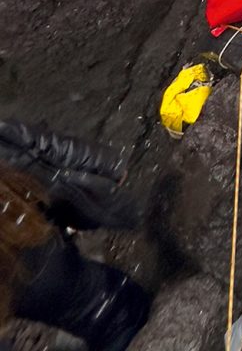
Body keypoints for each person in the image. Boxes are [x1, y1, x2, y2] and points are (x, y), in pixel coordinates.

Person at [0, 121, 149, 351]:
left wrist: (107, 166)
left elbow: (43, 148)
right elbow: (43, 147)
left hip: (114, 318)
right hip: (111, 294)